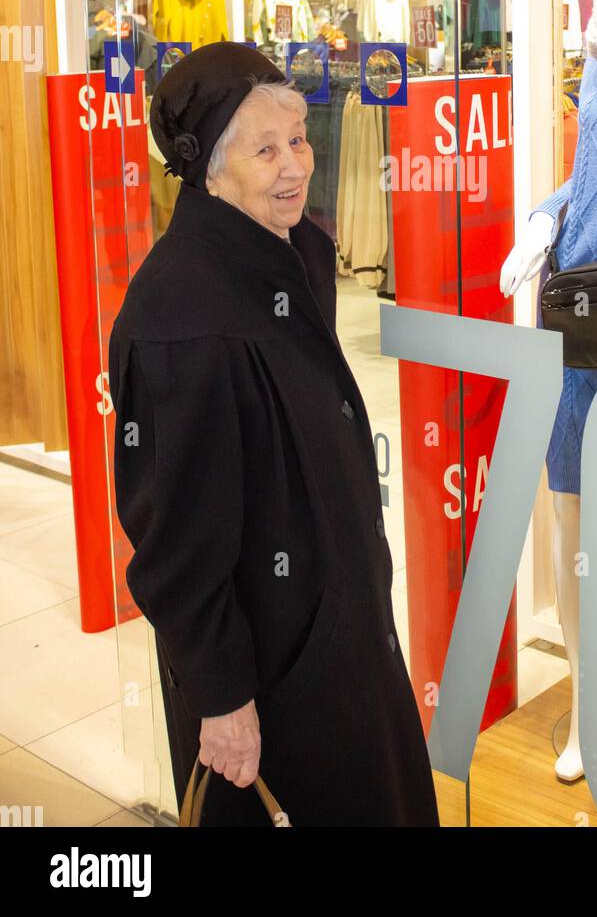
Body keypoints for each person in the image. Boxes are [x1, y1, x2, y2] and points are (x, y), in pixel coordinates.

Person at [108, 41, 439, 827]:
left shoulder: (298, 250)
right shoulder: (178, 319)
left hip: (343, 624)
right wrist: (222, 698)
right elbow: (176, 546)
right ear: (208, 171)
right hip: (269, 671)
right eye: (265, 150)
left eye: (297, 140)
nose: (295, 165)